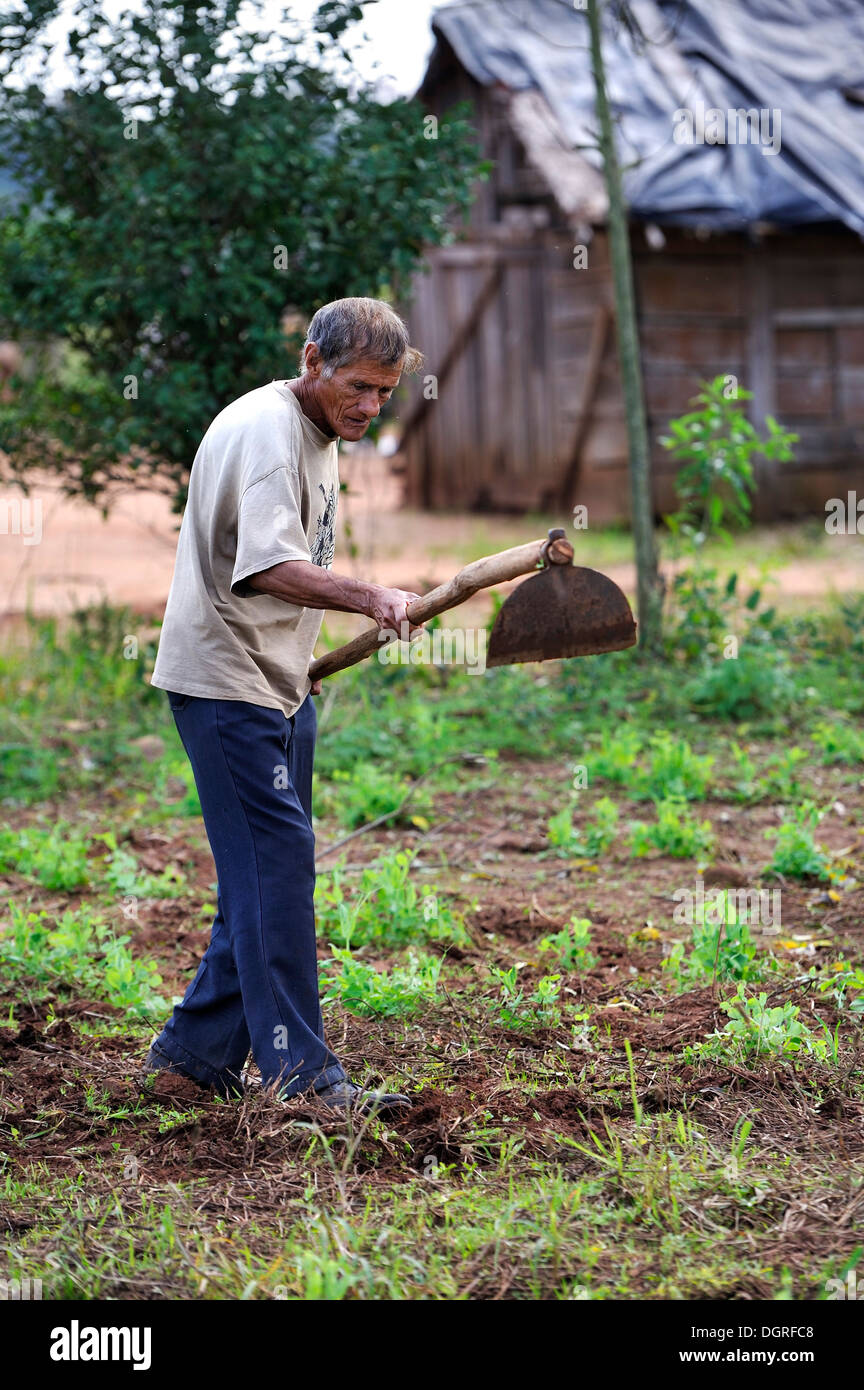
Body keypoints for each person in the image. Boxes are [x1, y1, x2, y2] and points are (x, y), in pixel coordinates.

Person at [145, 297, 425, 1116]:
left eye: (385, 392)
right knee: (275, 872)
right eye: (359, 387)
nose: (371, 407)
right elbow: (267, 568)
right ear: (312, 360)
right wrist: (372, 594)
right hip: (226, 685)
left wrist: (301, 662)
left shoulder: (318, 429)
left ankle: (193, 1057)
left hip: (279, 684)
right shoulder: (268, 432)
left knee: (261, 879)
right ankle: (304, 1077)